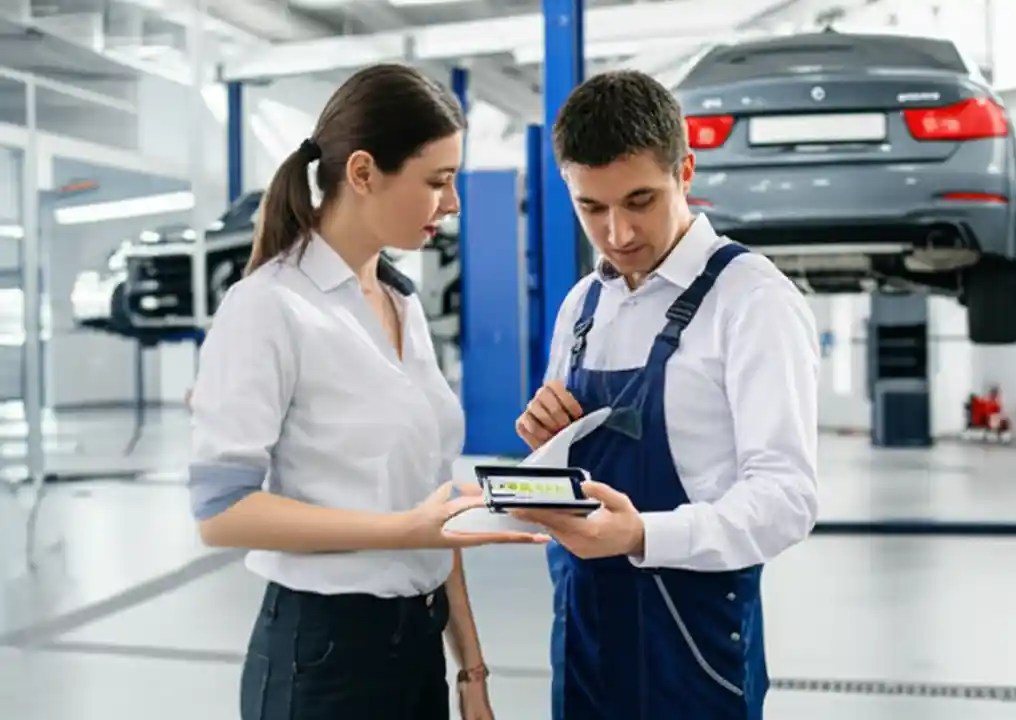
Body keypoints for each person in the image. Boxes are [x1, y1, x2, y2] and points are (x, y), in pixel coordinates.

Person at [186, 63, 545, 720]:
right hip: (322, 660)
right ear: (362, 173)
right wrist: (400, 529)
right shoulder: (268, 308)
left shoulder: (404, 308)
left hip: (416, 650)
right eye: (437, 182)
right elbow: (220, 511)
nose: (454, 202)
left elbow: (431, 502)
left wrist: (471, 667)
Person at [511, 70, 820, 720]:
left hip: (694, 644)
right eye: (591, 208)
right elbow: (580, 467)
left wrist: (641, 534)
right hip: (585, 636)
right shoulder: (582, 305)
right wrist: (549, 443)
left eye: (640, 200)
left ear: (686, 171)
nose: (618, 233)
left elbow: (786, 498)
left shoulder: (751, 301)